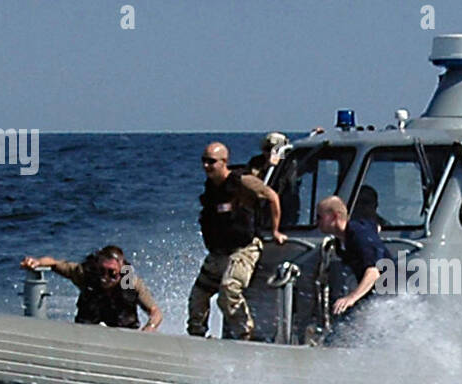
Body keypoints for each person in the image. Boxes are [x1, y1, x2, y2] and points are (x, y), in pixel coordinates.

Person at [187, 141, 288, 340]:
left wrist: (276, 230)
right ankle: (196, 335)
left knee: (229, 290)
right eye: (204, 161)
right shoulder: (212, 187)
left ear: (224, 162)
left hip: (244, 248)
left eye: (211, 162)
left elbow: (272, 197)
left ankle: (244, 333)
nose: (206, 166)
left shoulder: (243, 182)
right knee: (198, 295)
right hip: (219, 252)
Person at [20, 246, 162, 330]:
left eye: (111, 273)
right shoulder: (84, 274)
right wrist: (37, 262)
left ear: (121, 270)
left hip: (123, 332)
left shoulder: (131, 283)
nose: (105, 277)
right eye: (101, 271)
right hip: (88, 329)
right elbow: (54, 263)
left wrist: (150, 328)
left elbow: (155, 312)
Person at [316, 194, 392, 322]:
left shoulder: (359, 234)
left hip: (389, 295)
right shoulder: (342, 240)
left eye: (319, 217)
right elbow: (374, 226)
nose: (316, 222)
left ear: (334, 216)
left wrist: (352, 297)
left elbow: (374, 272)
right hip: (372, 295)